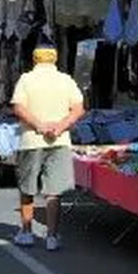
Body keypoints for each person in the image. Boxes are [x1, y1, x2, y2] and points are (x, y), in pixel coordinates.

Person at [10, 44, 84, 252]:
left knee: (27, 188)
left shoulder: (26, 79)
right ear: (55, 59)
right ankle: (52, 236)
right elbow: (78, 109)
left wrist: (39, 125)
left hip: (31, 140)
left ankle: (26, 232)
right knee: (54, 191)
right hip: (59, 141)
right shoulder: (66, 80)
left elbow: (18, 107)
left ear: (35, 59)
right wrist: (60, 126)